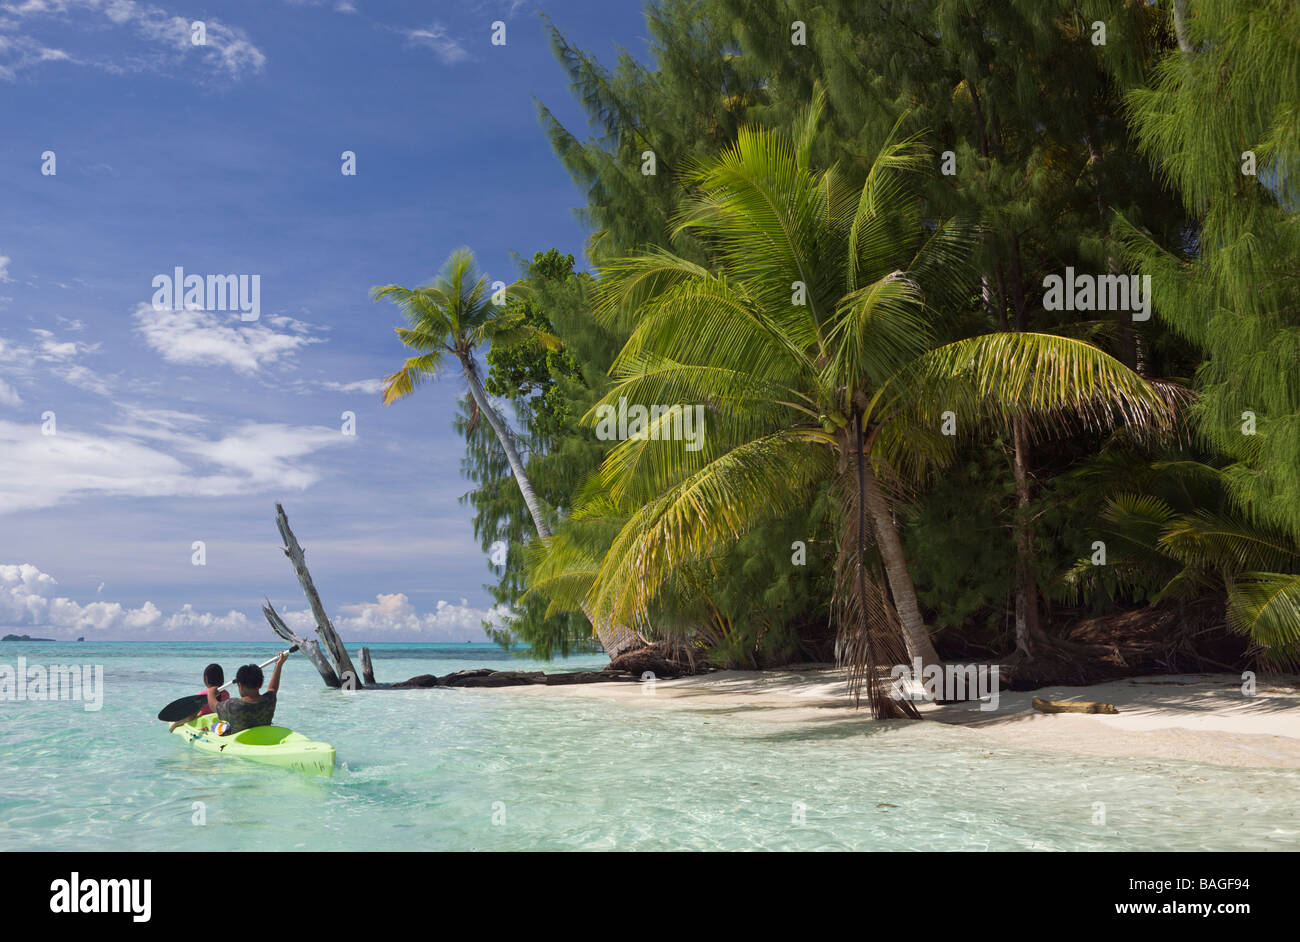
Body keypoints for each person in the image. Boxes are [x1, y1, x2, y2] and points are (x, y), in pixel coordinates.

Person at [206, 651, 286, 735]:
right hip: (262, 736)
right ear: (261, 684)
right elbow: (273, 688)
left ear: (239, 684)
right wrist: (279, 664)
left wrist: (211, 692)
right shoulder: (270, 699)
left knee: (216, 725)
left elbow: (213, 705)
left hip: (240, 741)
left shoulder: (233, 705)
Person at [168, 664, 230, 733]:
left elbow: (191, 717)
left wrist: (175, 724)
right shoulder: (226, 694)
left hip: (203, 724)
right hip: (219, 724)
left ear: (206, 679)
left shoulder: (202, 695)